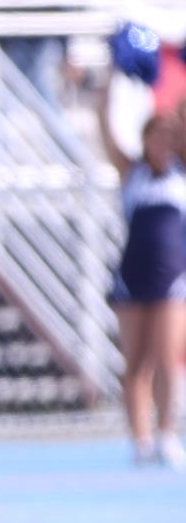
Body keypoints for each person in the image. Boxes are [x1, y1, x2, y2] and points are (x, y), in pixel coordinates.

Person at [96, 34, 186, 468]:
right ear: (146, 139)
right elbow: (104, 128)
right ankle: (140, 439)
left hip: (172, 276)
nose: (161, 144)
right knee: (136, 361)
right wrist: (112, 74)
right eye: (156, 136)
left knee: (167, 357)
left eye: (169, 137)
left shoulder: (181, 174)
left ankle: (167, 432)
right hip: (134, 273)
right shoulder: (131, 173)